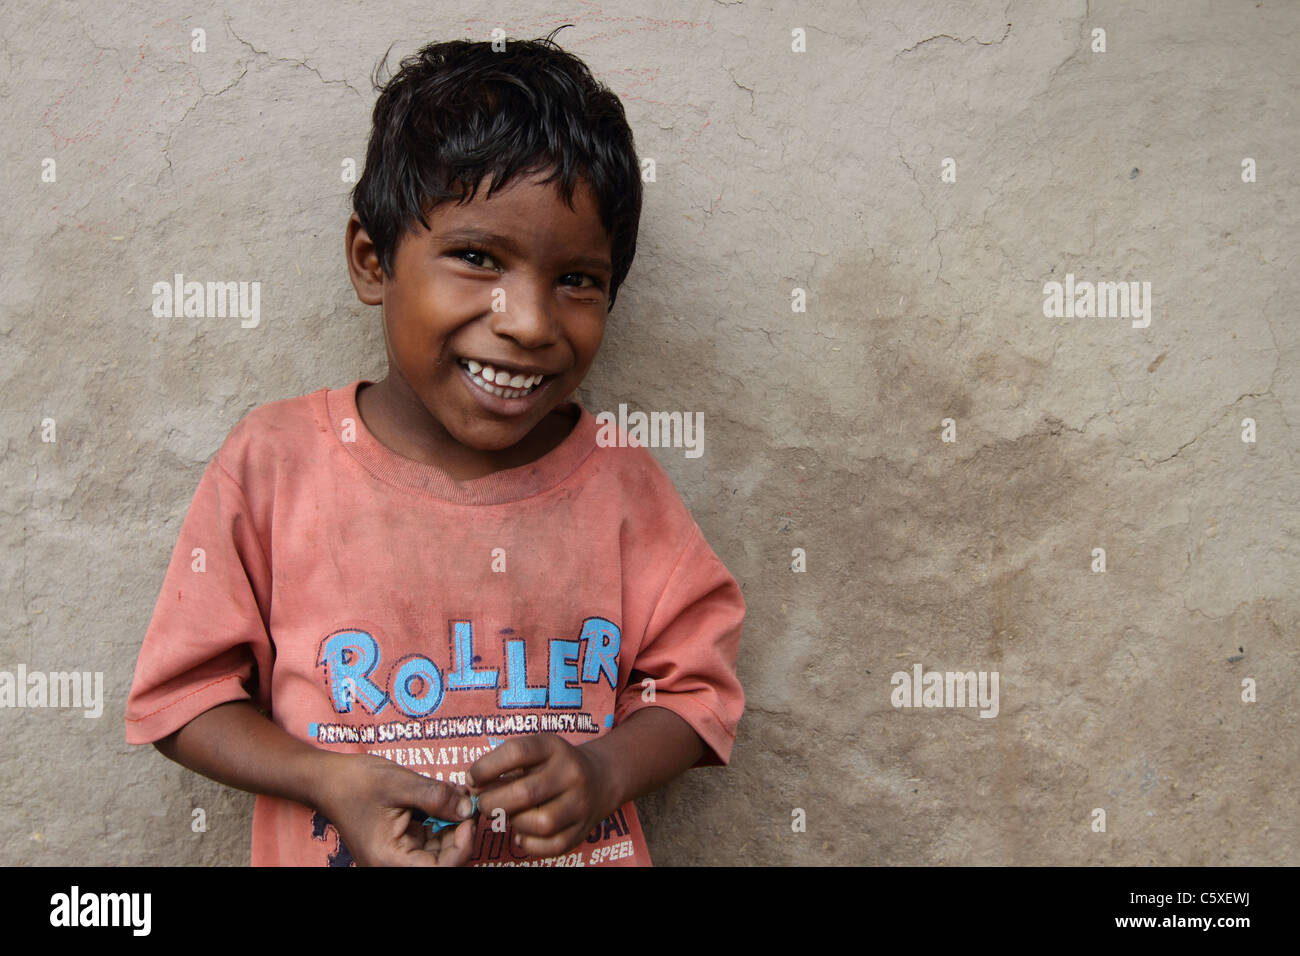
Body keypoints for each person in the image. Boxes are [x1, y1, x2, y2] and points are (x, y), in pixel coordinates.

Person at [124, 29, 746, 867]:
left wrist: (601, 772)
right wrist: (325, 779)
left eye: (576, 280)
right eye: (477, 257)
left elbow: (697, 692)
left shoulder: (621, 482)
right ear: (372, 261)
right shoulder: (276, 463)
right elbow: (183, 700)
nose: (526, 323)